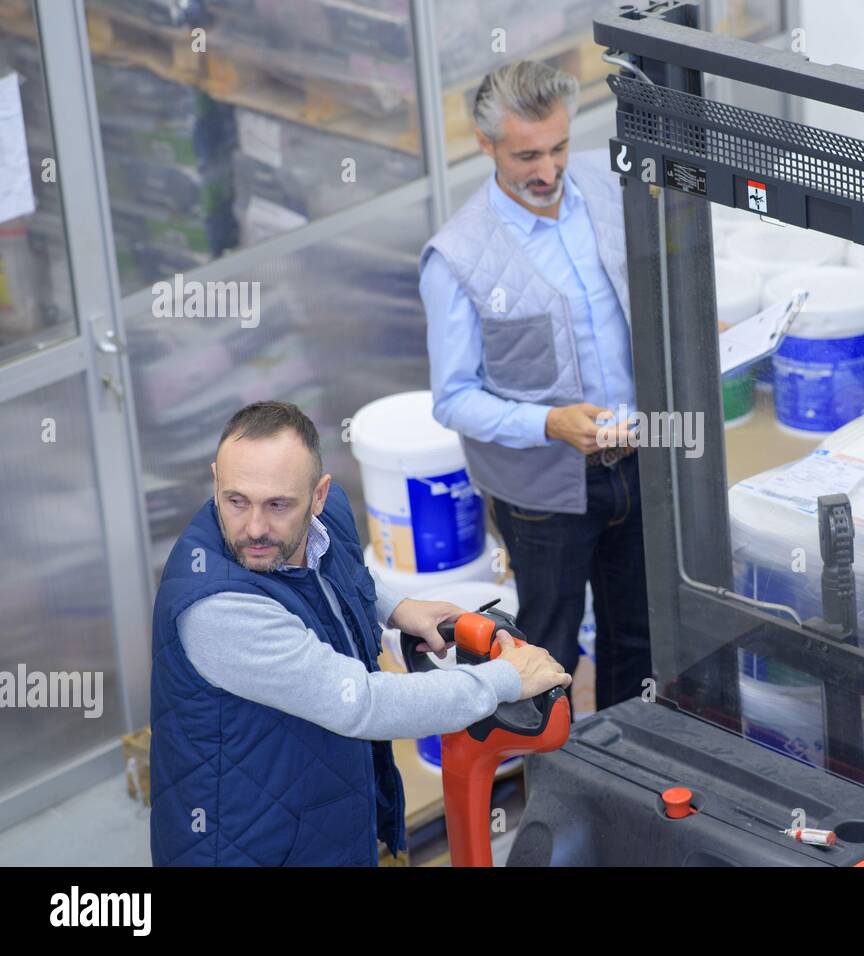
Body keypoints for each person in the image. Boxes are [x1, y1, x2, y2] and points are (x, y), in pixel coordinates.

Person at [149, 400, 569, 866]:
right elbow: (362, 704)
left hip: (312, 802)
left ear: (319, 496)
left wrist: (396, 607)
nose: (254, 528)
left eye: (278, 505)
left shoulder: (325, 523)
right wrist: (503, 680)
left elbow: (338, 567)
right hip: (249, 844)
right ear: (216, 481)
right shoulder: (218, 610)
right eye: (236, 500)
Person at [420, 61, 652, 710]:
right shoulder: (457, 257)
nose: (548, 171)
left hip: (635, 460)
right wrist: (549, 423)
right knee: (547, 651)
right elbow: (453, 398)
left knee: (638, 637)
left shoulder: (605, 191)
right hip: (541, 494)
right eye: (527, 155)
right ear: (484, 143)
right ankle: (554, 791)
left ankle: (625, 780)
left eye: (558, 147)